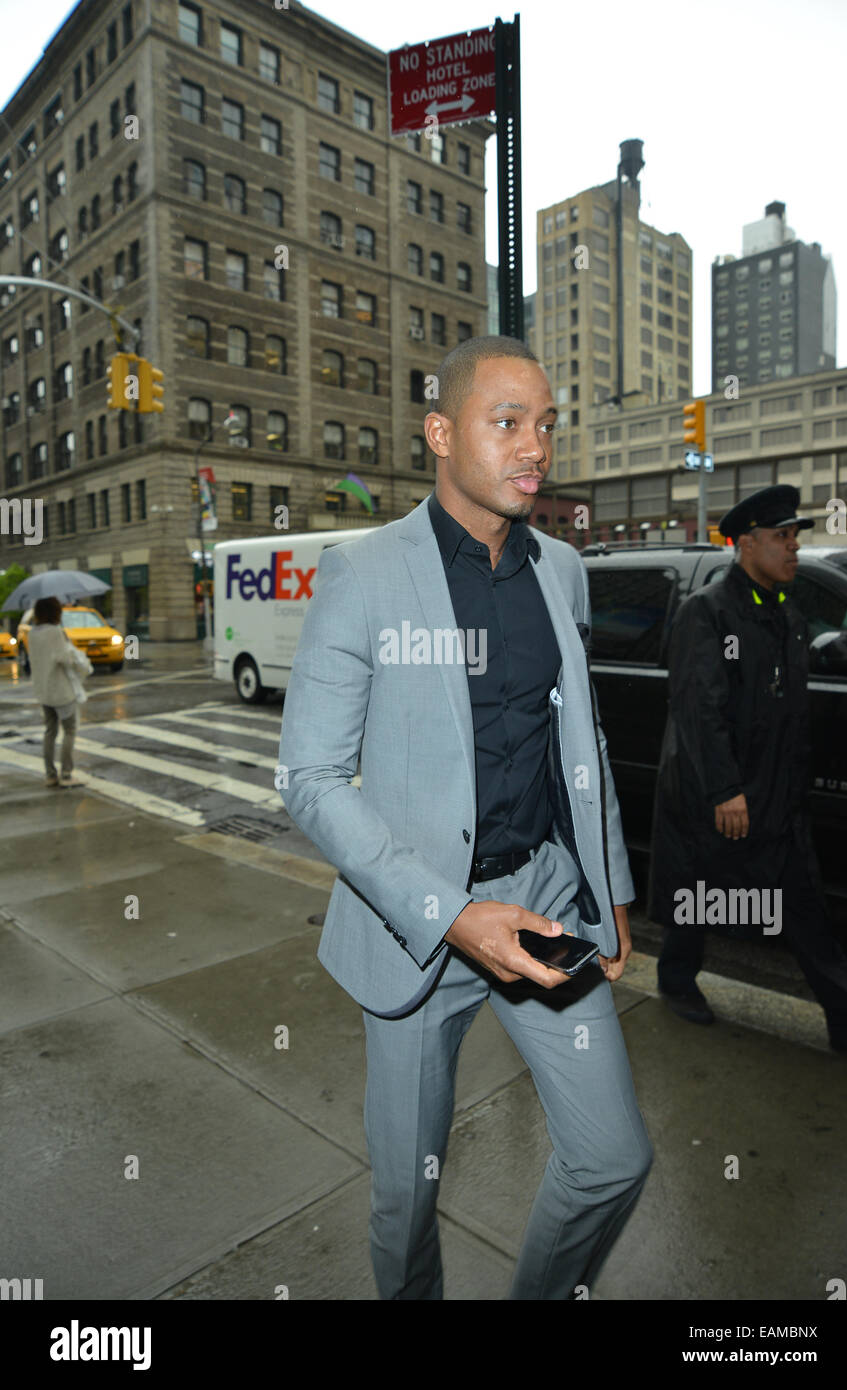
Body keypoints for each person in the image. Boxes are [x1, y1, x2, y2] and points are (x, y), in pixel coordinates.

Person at [278, 336, 652, 1300]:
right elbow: (311, 778)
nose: (535, 447)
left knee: (611, 1160)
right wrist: (448, 914)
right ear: (440, 433)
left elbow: (585, 749)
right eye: (508, 423)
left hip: (544, 903)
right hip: (414, 934)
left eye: (546, 425)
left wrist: (608, 887)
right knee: (405, 1203)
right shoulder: (362, 575)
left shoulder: (561, 570)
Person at [648, 484, 847, 1057]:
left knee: (804, 910)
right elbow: (699, 708)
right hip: (722, 794)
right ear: (747, 545)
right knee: (698, 895)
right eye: (782, 537)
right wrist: (725, 789)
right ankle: (676, 981)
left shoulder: (785, 614)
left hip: (778, 797)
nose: (794, 547)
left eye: (795, 536)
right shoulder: (710, 613)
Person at [28, 595, 92, 788]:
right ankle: (66, 774)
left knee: (50, 732)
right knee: (70, 731)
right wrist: (70, 648)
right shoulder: (56, 632)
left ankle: (50, 775)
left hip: (43, 690)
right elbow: (64, 659)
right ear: (55, 612)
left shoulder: (32, 633)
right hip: (61, 691)